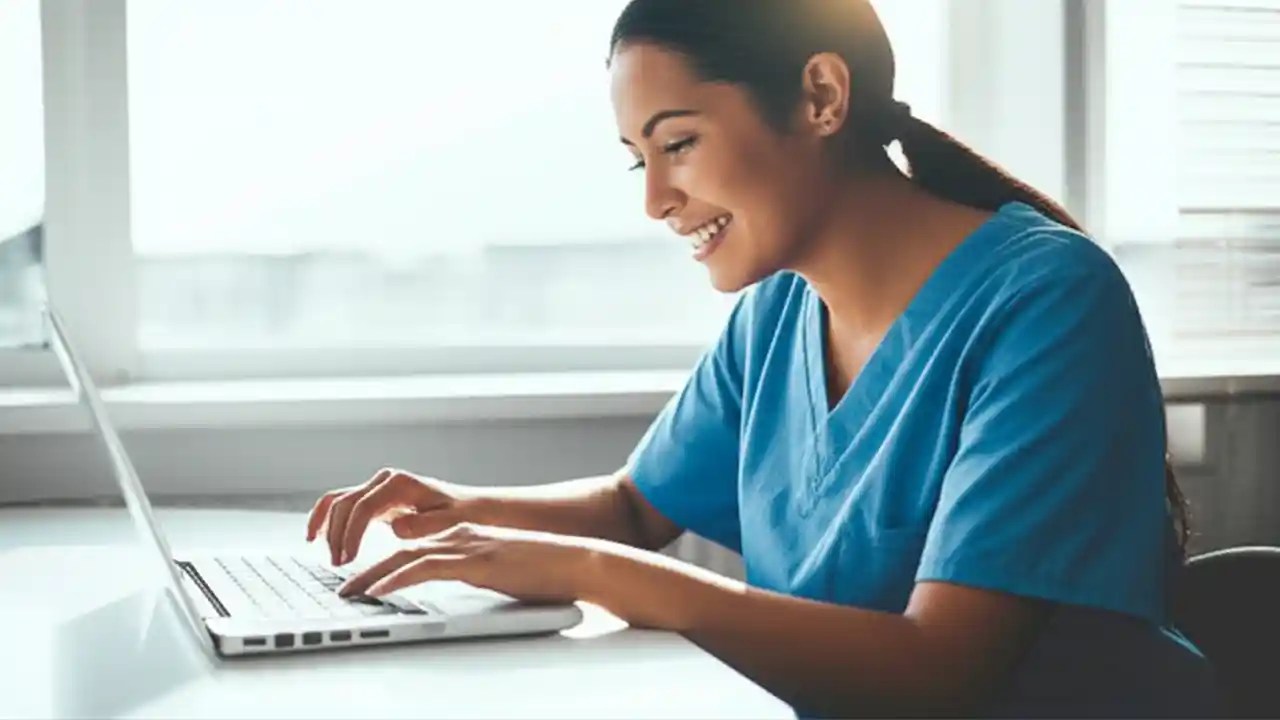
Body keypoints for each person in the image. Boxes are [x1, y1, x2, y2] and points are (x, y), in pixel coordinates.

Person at [307, 0, 1218, 715]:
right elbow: (633, 507)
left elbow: (939, 674)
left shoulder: (1047, 301)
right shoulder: (781, 307)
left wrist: (591, 576)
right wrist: (453, 515)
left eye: (680, 144)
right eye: (639, 161)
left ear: (822, 96)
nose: (658, 201)